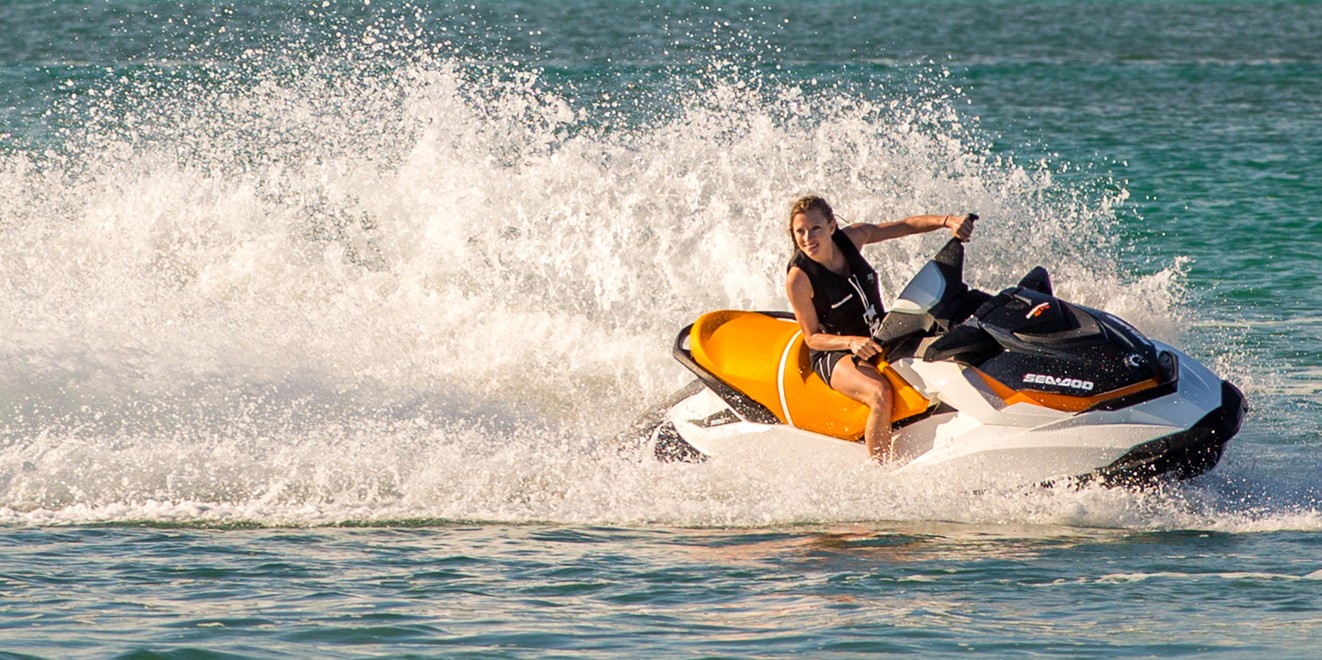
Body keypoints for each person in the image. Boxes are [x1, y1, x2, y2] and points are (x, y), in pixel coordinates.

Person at [785, 195, 976, 462]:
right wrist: (851, 342)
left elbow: (905, 225)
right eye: (800, 232)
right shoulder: (799, 279)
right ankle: (880, 470)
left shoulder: (852, 239)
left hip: (878, 336)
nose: (807, 238)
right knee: (879, 394)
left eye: (815, 228)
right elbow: (812, 338)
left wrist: (947, 222)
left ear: (831, 226)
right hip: (835, 352)